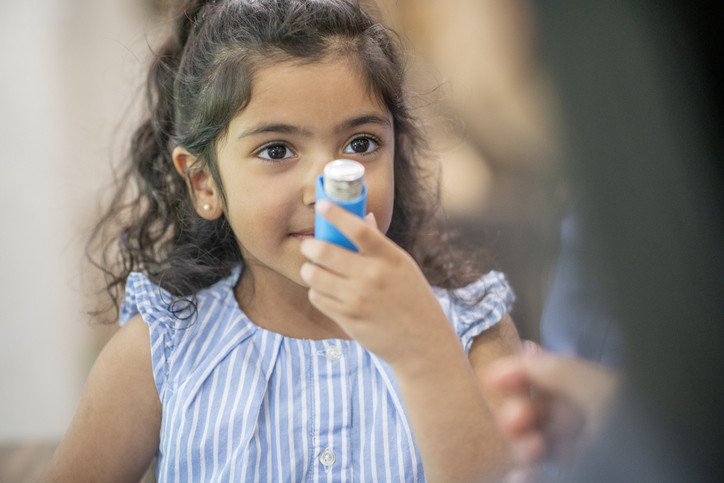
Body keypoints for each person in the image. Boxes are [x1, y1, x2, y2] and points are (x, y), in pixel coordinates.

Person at [44, 0, 521, 481]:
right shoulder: (162, 351)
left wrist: (425, 348)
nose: (330, 185)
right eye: (277, 150)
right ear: (205, 184)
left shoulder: (473, 331)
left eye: (361, 143)